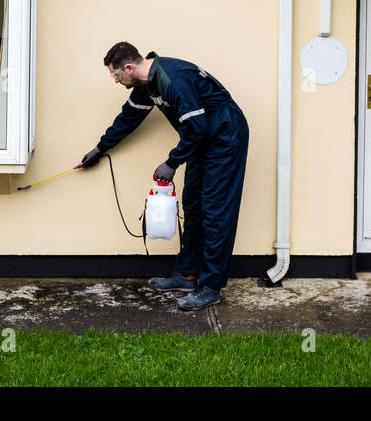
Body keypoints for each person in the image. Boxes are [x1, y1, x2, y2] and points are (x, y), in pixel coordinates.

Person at [81, 42, 249, 312]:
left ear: (129, 68)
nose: (116, 81)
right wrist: (100, 148)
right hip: (200, 138)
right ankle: (186, 275)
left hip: (225, 136)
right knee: (193, 205)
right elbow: (128, 119)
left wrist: (172, 162)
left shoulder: (172, 80)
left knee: (215, 210)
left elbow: (196, 126)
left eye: (115, 76)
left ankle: (211, 287)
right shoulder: (146, 86)